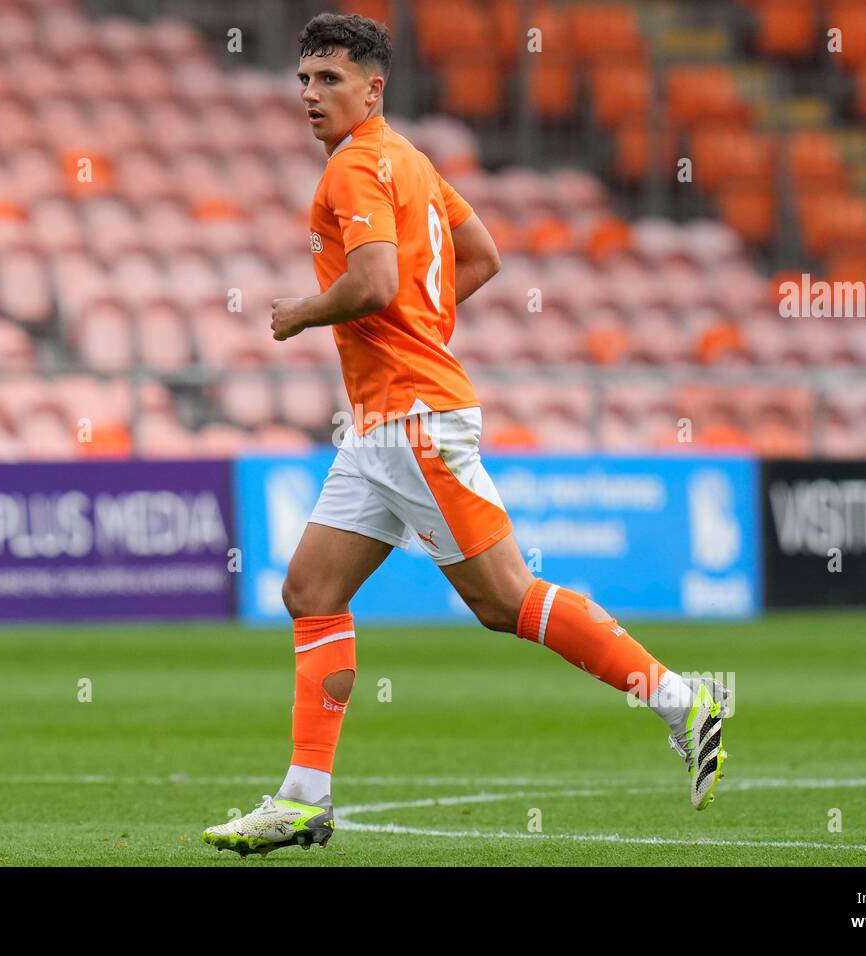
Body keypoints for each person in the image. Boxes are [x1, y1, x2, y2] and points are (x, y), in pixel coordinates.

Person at [203, 13, 730, 857]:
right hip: (383, 424)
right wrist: (421, 324)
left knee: (505, 599)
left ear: (372, 88)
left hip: (411, 418)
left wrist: (303, 312)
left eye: (328, 79)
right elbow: (482, 255)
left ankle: (680, 698)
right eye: (303, 78)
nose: (309, 94)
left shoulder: (354, 169)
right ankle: (304, 798)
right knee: (310, 590)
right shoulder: (411, 161)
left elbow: (373, 282)